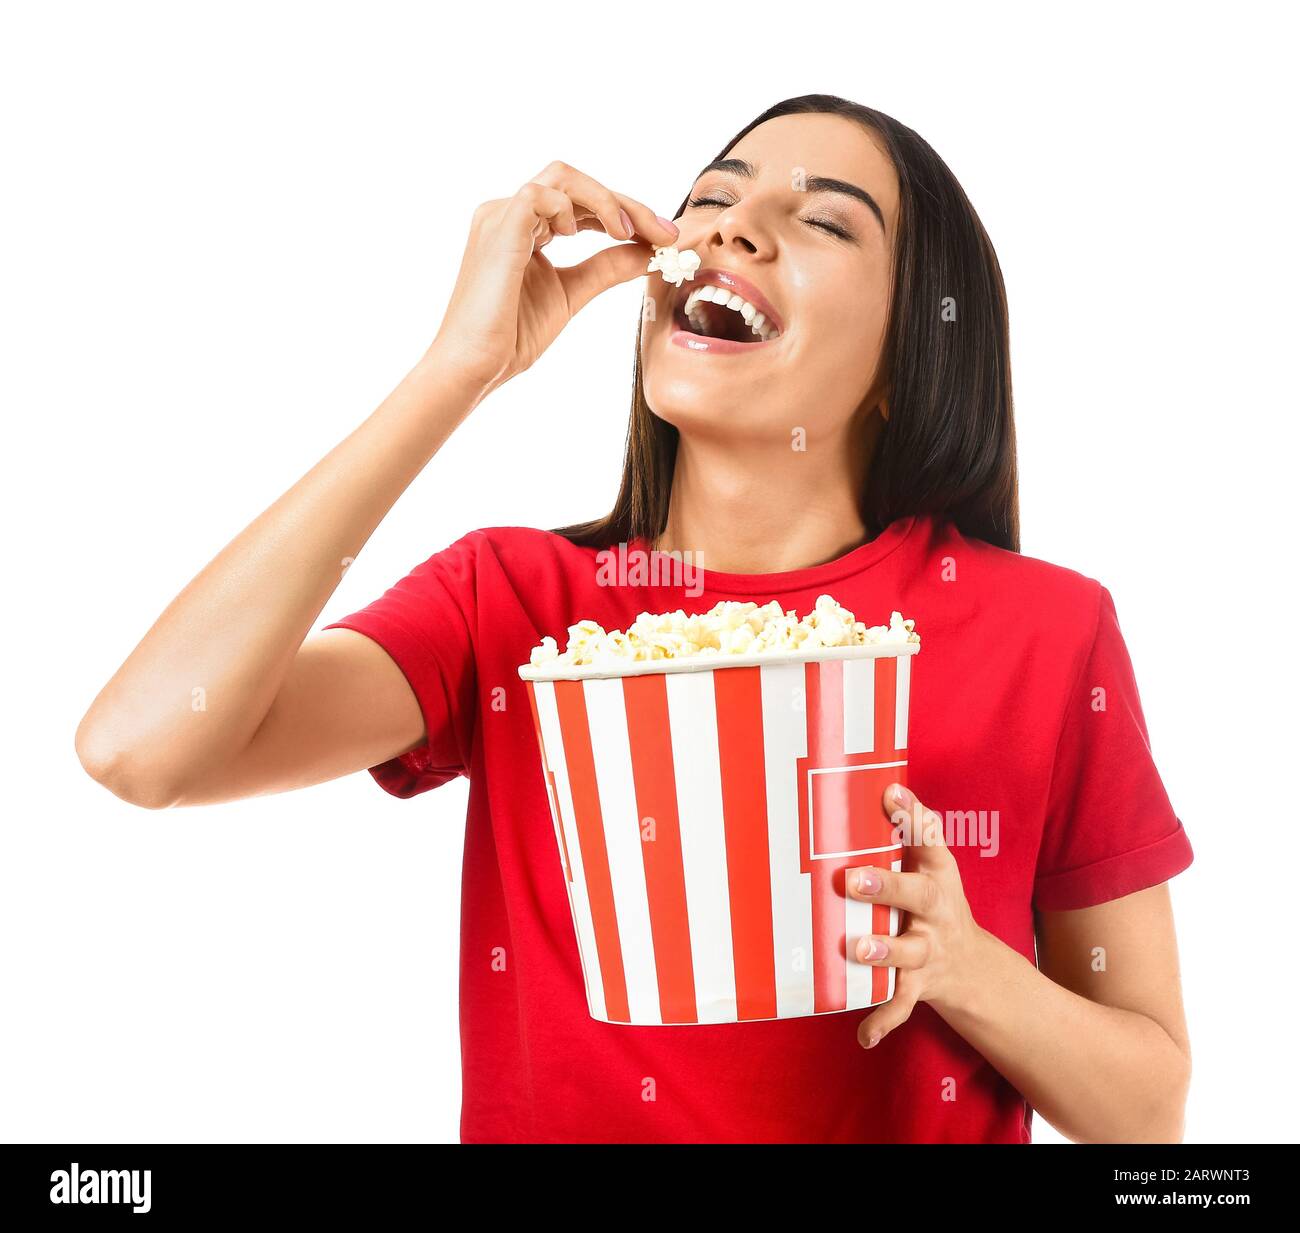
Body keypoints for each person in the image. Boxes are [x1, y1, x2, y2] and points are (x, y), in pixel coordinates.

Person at [76, 95, 1193, 1143]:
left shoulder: (1045, 630)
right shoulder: (512, 606)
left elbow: (1148, 1108)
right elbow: (142, 749)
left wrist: (967, 967)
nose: (733, 231)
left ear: (910, 359)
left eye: (820, 222)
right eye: (710, 201)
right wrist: (457, 370)